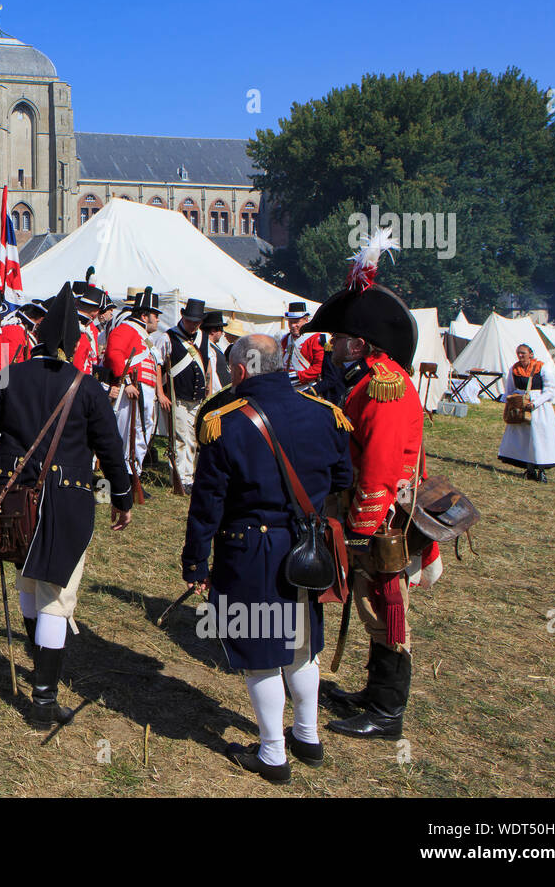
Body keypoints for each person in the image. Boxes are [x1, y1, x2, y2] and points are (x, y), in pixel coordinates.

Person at [181, 335, 353, 784]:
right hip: (306, 547)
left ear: (239, 372)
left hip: (250, 550)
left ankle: (274, 754)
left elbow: (207, 505)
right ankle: (308, 737)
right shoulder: (325, 413)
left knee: (261, 653)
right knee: (300, 644)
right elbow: (343, 477)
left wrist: (195, 562)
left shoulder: (226, 422)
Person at [0, 285, 134, 729]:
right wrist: (122, 499)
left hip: (14, 498)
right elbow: (112, 451)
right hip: (66, 502)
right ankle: (43, 703)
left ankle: (40, 668)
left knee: (30, 583)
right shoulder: (88, 387)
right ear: (77, 342)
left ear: (39, 336)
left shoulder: (9, 373)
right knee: (56, 600)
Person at [305, 229, 442, 740]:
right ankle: (373, 693)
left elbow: (381, 469)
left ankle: (387, 711)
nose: (333, 344)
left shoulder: (384, 387)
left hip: (381, 519)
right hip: (373, 511)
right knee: (371, 607)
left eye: (340, 338)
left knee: (386, 609)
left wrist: (360, 530)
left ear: (359, 342)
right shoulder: (368, 379)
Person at [103, 287, 169, 487]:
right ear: (144, 315)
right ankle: (123, 477)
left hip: (144, 390)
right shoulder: (126, 329)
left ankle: (134, 474)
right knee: (128, 433)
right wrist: (128, 383)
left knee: (142, 432)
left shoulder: (143, 336)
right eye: (155, 315)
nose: (157, 319)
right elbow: (114, 354)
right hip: (132, 390)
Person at [498, 343, 555, 482]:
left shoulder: (542, 367)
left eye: (523, 353)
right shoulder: (514, 369)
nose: (520, 356)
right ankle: (530, 469)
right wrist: (510, 401)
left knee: (540, 438)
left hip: (540, 408)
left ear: (531, 354)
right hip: (521, 406)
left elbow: (551, 390)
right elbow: (510, 389)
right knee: (524, 438)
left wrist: (536, 402)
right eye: (518, 353)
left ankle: (542, 470)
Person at [165, 298, 209, 489]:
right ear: (183, 316)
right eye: (190, 320)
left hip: (197, 398)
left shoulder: (203, 338)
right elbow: (161, 367)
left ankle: (188, 476)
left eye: (197, 322)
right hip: (178, 397)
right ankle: (179, 477)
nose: (193, 325)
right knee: (181, 437)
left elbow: (207, 366)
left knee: (192, 437)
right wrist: (162, 392)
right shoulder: (169, 337)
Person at [278, 301, 325, 387]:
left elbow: (318, 368)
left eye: (296, 322)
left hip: (308, 387)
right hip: (286, 386)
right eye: (290, 322)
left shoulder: (315, 339)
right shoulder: (285, 338)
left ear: (306, 320)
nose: (293, 325)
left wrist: (294, 378)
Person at [199, 311, 230, 396]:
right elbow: (212, 375)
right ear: (213, 331)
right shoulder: (208, 348)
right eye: (221, 329)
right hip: (217, 394)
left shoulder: (215, 347)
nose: (222, 333)